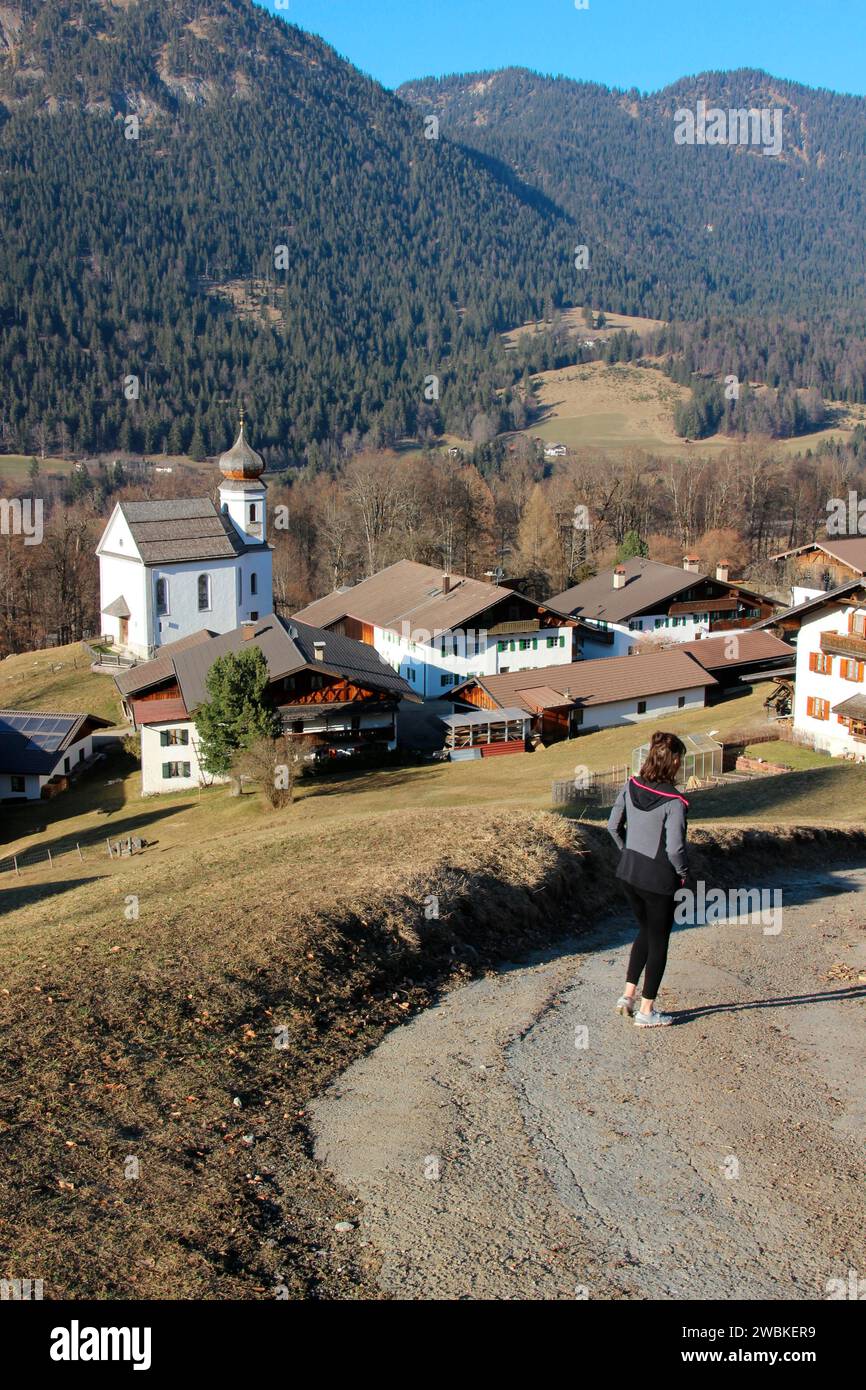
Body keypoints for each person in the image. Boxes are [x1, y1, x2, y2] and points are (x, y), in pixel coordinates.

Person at [607, 731, 689, 1027]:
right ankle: (646, 1011)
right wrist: (682, 873)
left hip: (629, 874)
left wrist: (628, 852)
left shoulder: (630, 786)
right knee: (659, 942)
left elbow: (612, 826)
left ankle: (627, 996)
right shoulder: (675, 802)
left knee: (645, 930)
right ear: (675, 761)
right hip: (658, 880)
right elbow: (675, 848)